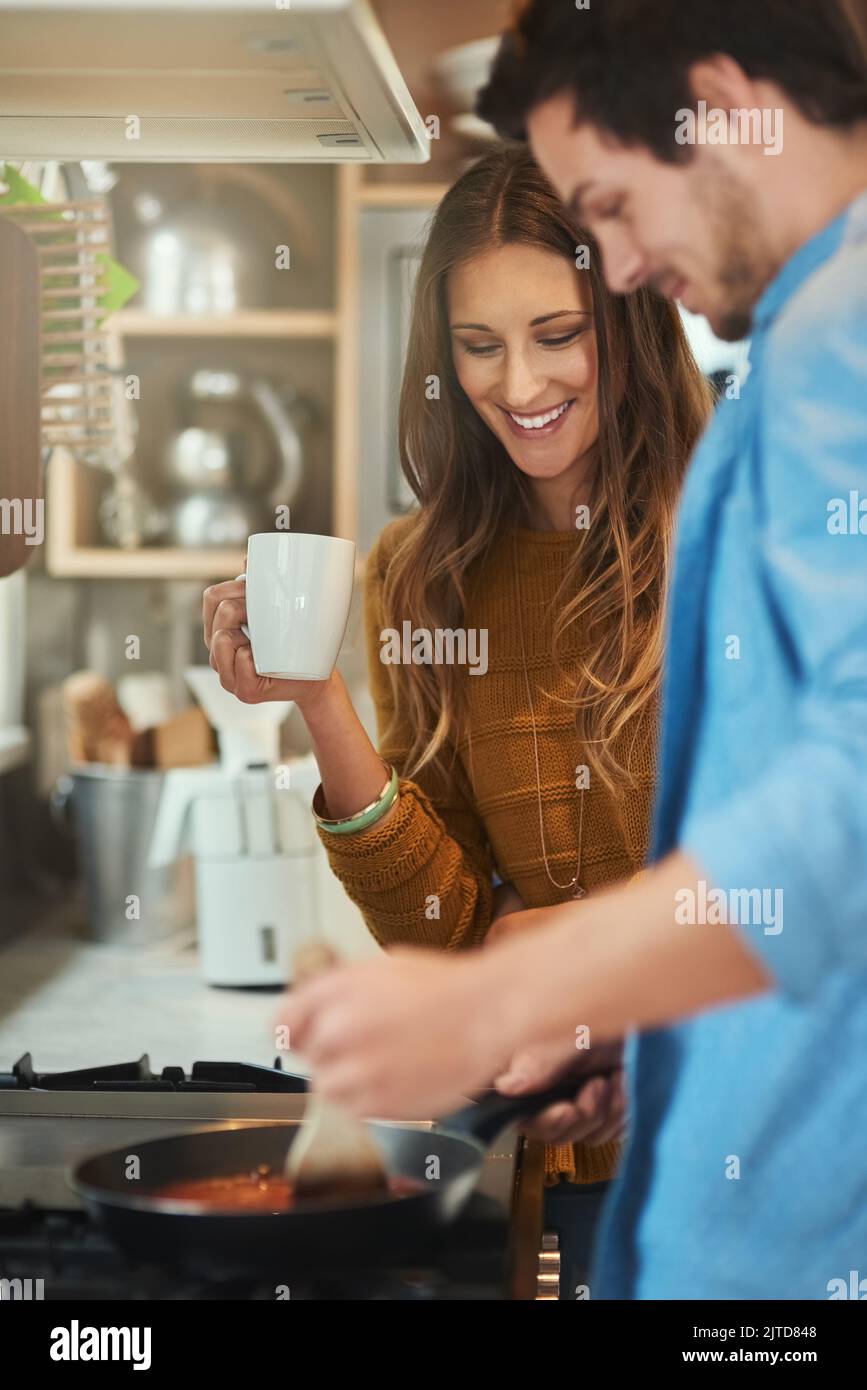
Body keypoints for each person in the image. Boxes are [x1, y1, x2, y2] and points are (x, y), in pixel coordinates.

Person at [279, 0, 867, 1300]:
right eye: (479, 345)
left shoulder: (841, 344)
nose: (617, 263)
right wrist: (649, 1031)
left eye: (606, 204)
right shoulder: (806, 352)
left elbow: (849, 814)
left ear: (719, 103)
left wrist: (509, 992)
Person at [202, 143, 710, 1295]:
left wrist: (567, 953)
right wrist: (319, 703)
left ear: (627, 320)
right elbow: (453, 929)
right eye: (479, 347)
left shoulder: (731, 528)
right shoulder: (419, 576)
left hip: (755, 1136)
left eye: (558, 333)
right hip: (563, 1165)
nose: (520, 385)